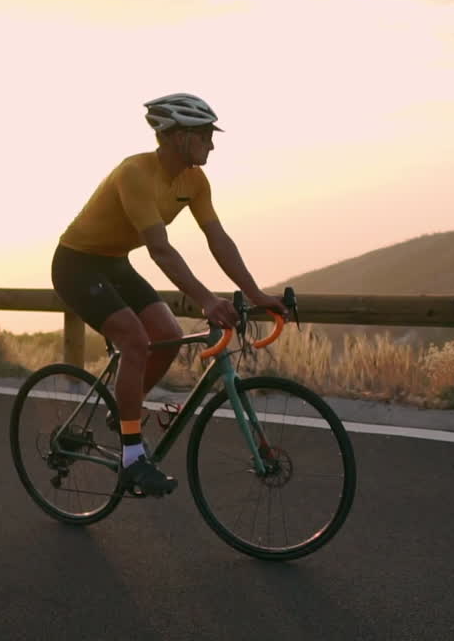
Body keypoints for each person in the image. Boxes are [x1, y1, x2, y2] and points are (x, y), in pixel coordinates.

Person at [50, 92, 287, 497]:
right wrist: (208, 301)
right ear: (180, 138)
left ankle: (122, 411)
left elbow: (218, 239)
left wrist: (256, 293)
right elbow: (160, 249)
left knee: (167, 332)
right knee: (135, 340)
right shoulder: (135, 174)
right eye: (206, 135)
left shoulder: (195, 181)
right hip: (76, 264)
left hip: (115, 262)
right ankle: (132, 459)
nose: (212, 143)